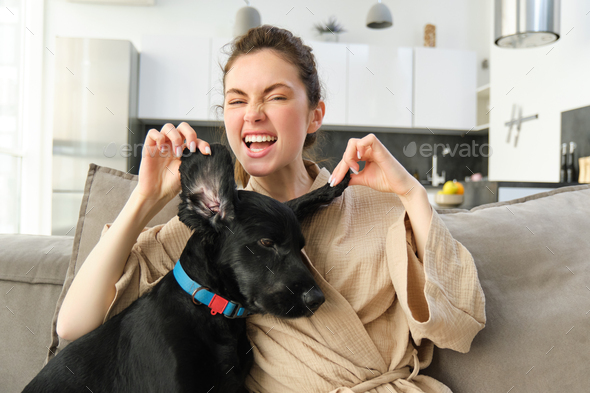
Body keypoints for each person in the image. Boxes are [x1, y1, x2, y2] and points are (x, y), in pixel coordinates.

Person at [56, 25, 486, 393]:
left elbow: (460, 324)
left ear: (315, 114)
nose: (253, 115)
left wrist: (411, 193)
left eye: (275, 97)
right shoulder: (209, 232)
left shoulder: (378, 208)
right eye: (237, 100)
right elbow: (73, 327)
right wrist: (144, 198)